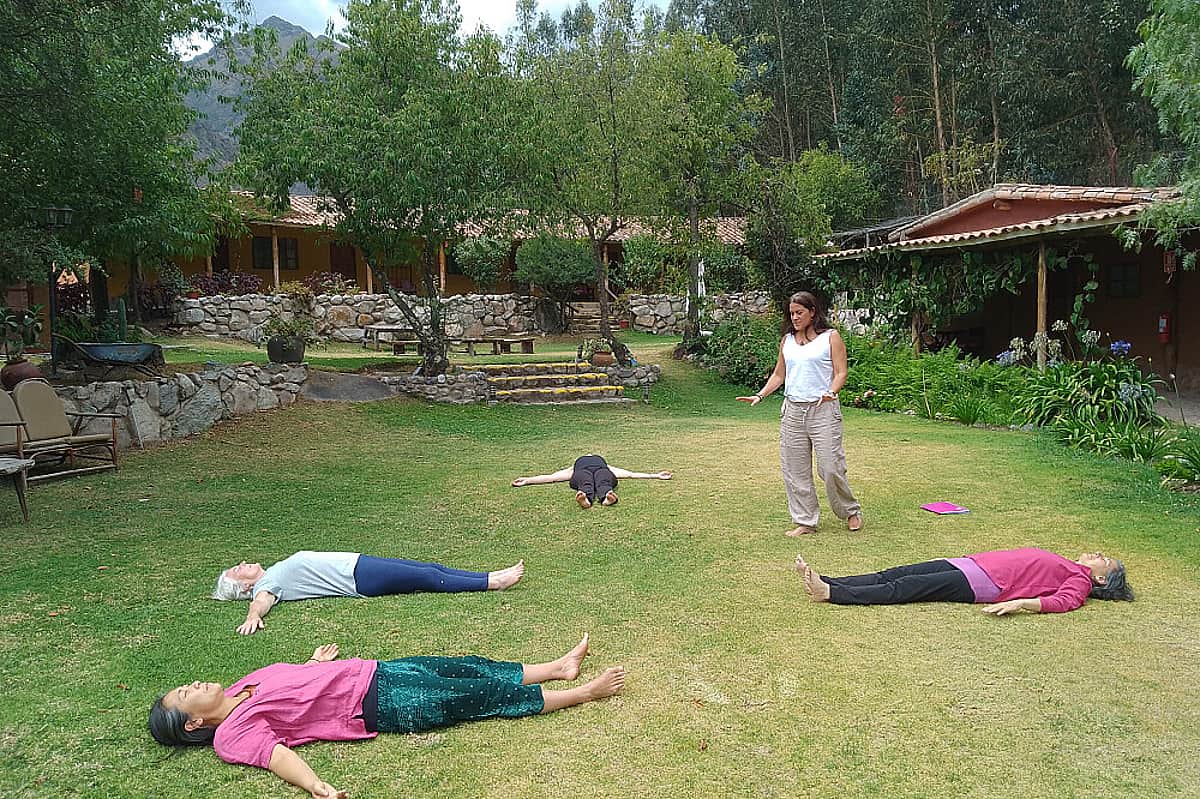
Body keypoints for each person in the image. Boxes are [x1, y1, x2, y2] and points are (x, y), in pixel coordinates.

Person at [148, 635, 624, 797]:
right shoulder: (230, 734)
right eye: (184, 696)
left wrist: (316, 663)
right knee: (479, 695)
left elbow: (293, 686)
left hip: (374, 671)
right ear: (193, 723)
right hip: (378, 705)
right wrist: (317, 785)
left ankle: (558, 668)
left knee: (465, 666)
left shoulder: (239, 688)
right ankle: (582, 693)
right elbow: (275, 756)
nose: (192, 686)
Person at [736, 291, 863, 537]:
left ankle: (850, 511)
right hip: (793, 410)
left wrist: (831, 391)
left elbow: (841, 372)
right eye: (791, 313)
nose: (794, 317)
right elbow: (779, 375)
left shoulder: (831, 337)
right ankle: (805, 521)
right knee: (795, 469)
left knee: (830, 467)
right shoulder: (787, 341)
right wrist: (760, 395)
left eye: (799, 313)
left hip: (822, 410)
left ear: (812, 312)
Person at [213, 553, 525, 636]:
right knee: (429, 577)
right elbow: (262, 600)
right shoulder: (268, 584)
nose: (242, 564)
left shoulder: (273, 573)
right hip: (359, 578)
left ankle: (488, 576)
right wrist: (253, 614)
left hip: (359, 565)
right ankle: (493, 583)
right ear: (244, 586)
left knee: (431, 568)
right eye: (237, 570)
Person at [796, 548, 1134, 614]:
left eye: (1104, 560)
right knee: (895, 574)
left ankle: (831, 595)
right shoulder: (1070, 566)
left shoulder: (1081, 582)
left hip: (981, 583)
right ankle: (829, 581)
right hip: (970, 563)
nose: (1098, 553)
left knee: (904, 589)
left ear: (1102, 579)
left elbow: (1064, 603)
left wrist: (1021, 604)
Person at [511, 454, 672, 509]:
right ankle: (593, 498)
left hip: (600, 472)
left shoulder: (605, 466)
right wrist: (528, 480)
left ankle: (601, 498)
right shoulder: (573, 468)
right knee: (588, 482)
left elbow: (629, 474)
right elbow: (552, 477)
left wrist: (655, 475)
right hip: (583, 473)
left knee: (600, 481)